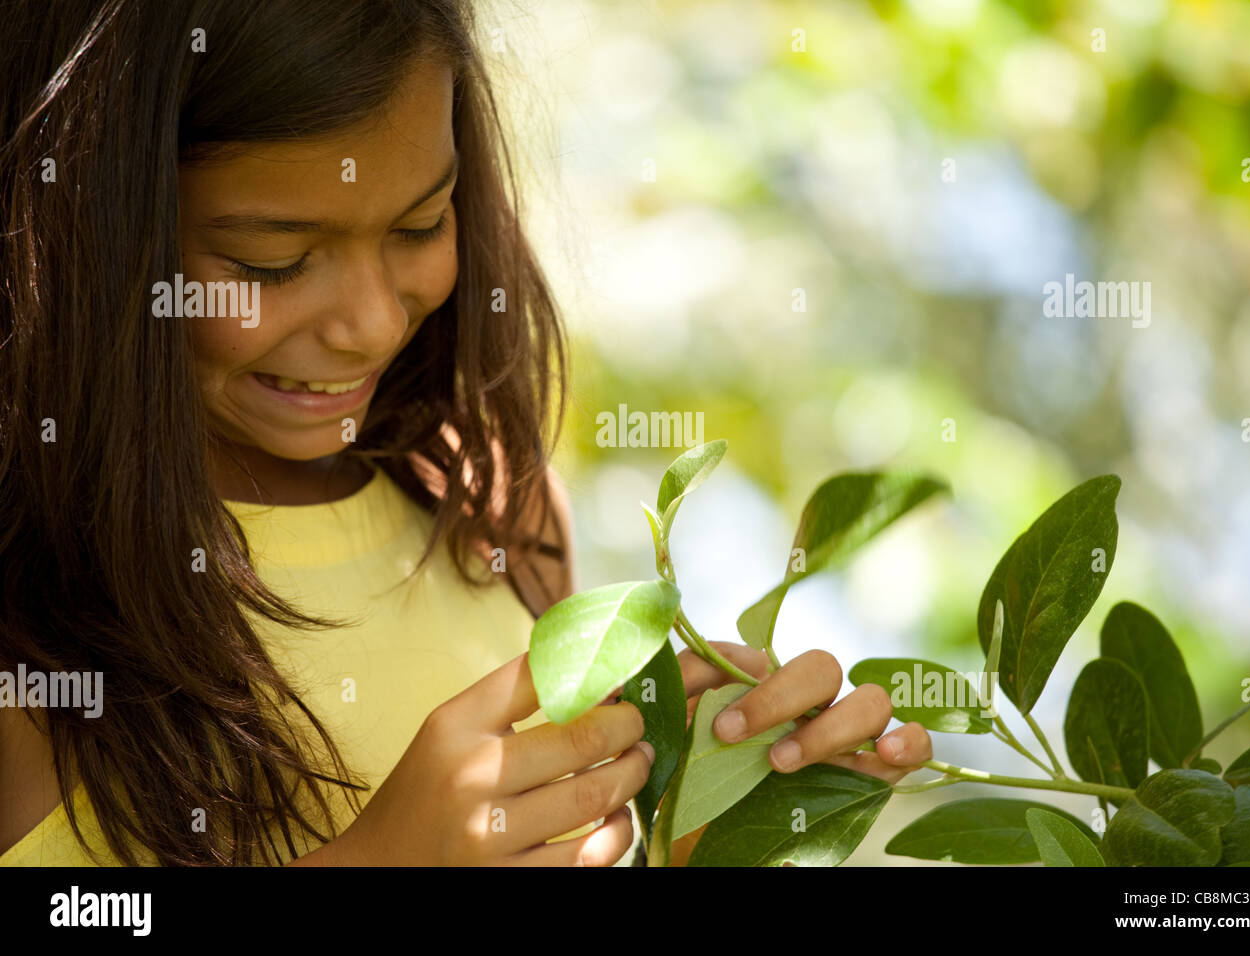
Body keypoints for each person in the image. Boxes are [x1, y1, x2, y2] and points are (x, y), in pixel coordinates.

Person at [0, 0, 931, 867]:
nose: (369, 323)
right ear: (87, 229)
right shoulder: (31, 600)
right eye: (271, 263)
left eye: (419, 225)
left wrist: (719, 829)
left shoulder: (487, 506)